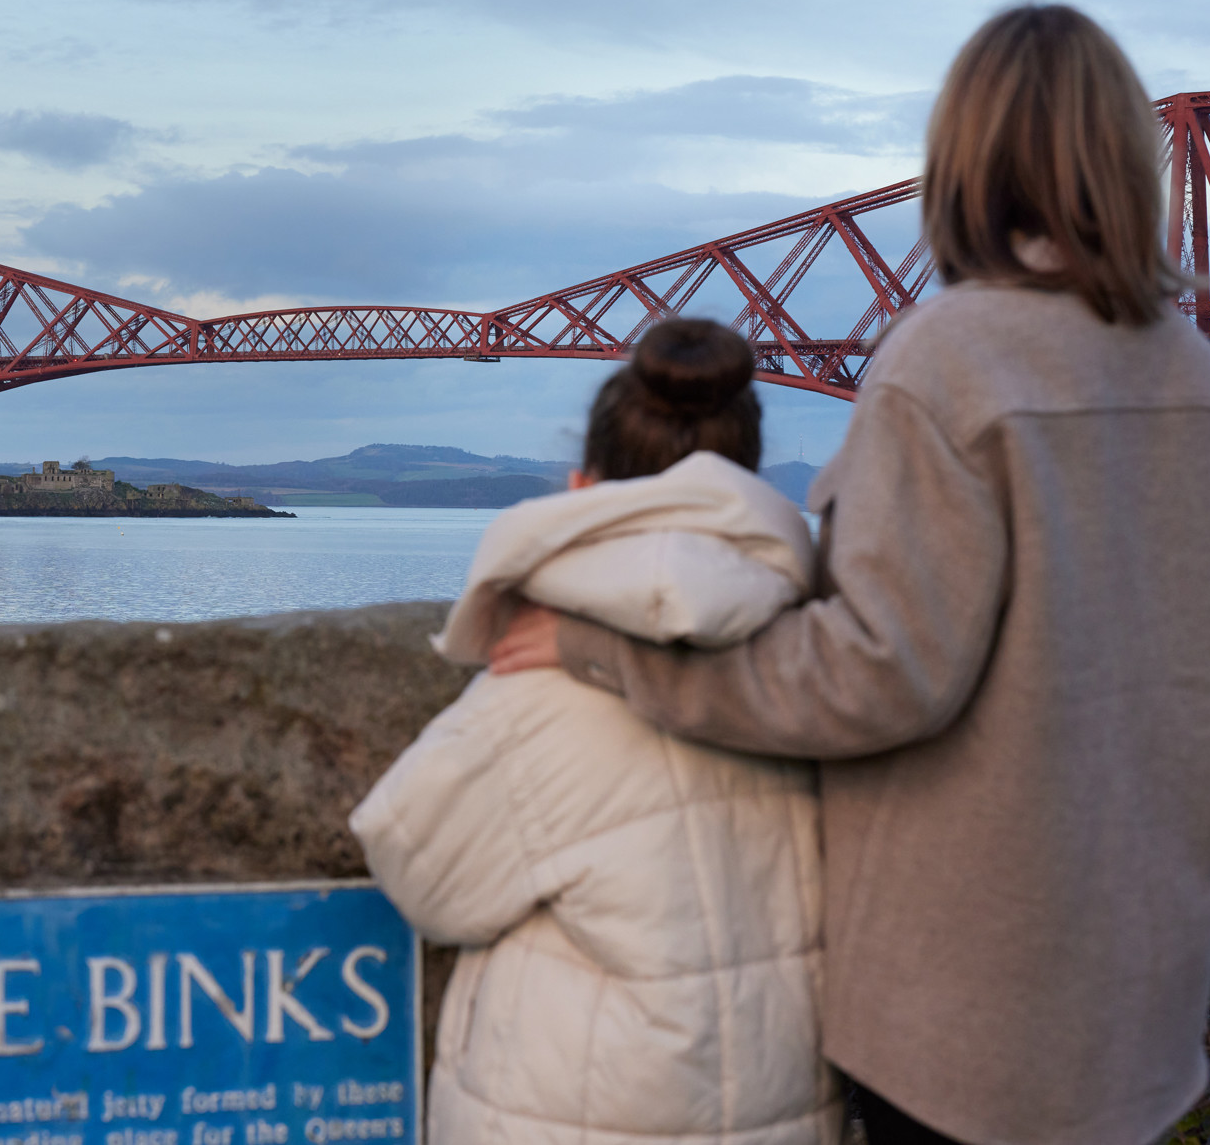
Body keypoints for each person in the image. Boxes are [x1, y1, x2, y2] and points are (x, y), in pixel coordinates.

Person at [489, 5, 1210, 1145]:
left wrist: (610, 649)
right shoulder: (1207, 391)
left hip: (963, 1030)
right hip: (1134, 1025)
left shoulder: (947, 363)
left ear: (963, 164)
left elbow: (871, 676)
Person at [351, 317, 842, 1145]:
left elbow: (416, 867)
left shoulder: (539, 689)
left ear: (585, 490)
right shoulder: (815, 665)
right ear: (744, 488)